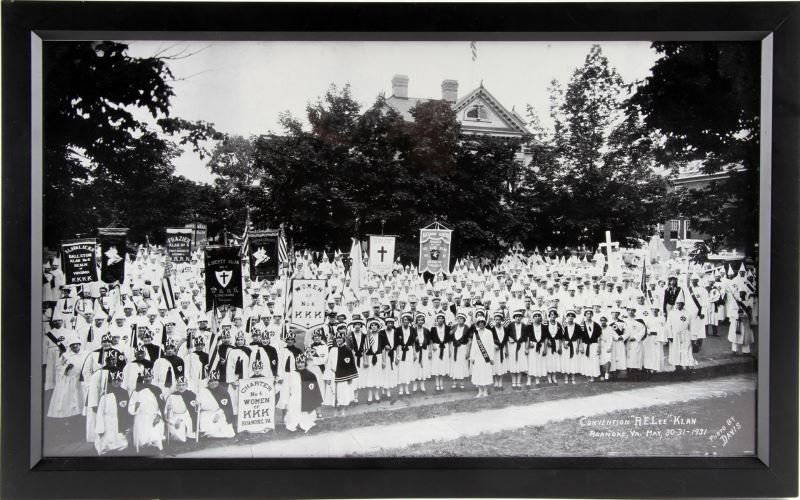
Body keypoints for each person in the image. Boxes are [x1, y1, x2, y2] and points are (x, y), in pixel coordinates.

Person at [47, 333, 86, 419]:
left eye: (77, 344)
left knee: (81, 397)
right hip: (69, 380)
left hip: (81, 379)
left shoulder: (85, 354)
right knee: (68, 397)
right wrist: (66, 368)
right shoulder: (65, 355)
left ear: (80, 345)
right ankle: (69, 415)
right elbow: (58, 367)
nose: (75, 346)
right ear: (70, 347)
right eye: (72, 345)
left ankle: (81, 414)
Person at [127, 369, 165, 453]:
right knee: (142, 438)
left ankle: (155, 449)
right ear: (143, 378)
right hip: (141, 417)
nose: (147, 379)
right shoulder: (137, 390)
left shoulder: (157, 390)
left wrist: (159, 416)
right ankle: (142, 449)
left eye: (149, 376)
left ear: (152, 377)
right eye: (146, 377)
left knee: (154, 436)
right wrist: (135, 407)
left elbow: (162, 405)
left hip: (153, 416)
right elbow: (131, 406)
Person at [93, 370, 130, 455]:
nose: (116, 382)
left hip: (120, 422)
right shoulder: (105, 395)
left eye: (119, 380)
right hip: (108, 423)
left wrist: (126, 424)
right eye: (114, 380)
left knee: (121, 443)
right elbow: (100, 413)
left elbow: (126, 410)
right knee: (106, 443)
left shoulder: (124, 393)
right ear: (110, 381)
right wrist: (100, 428)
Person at [284, 353, 324, 433]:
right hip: (295, 400)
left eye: (302, 363)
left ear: (305, 363)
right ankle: (295, 424)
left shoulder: (310, 375)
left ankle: (304, 423)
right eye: (298, 363)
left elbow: (315, 392)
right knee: (292, 419)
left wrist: (317, 408)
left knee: (306, 421)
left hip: (306, 400)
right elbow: (287, 389)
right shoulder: (292, 374)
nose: (300, 365)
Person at [323, 330, 359, 416]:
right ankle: (335, 411)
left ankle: (343, 410)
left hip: (344, 376)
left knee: (343, 393)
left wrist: (350, 377)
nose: (338, 340)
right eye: (337, 338)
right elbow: (329, 363)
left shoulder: (347, 350)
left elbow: (350, 364)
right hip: (333, 375)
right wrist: (327, 376)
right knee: (334, 393)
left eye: (340, 338)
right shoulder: (333, 350)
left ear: (343, 339)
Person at [196, 369, 236, 439]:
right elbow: (199, 403)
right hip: (207, 414)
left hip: (220, 413)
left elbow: (226, 407)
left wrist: (218, 414)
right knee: (206, 419)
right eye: (211, 381)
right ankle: (208, 433)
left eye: (215, 381)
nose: (213, 383)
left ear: (218, 381)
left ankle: (213, 433)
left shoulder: (223, 391)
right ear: (208, 382)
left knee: (226, 431)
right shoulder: (204, 391)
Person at [164, 376, 198, 444]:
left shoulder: (192, 395)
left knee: (187, 430)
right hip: (175, 417)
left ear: (187, 385)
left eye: (183, 385)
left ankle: (188, 434)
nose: (181, 387)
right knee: (179, 436)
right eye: (179, 385)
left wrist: (198, 404)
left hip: (187, 416)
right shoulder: (172, 396)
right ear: (176, 386)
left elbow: (194, 410)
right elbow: (167, 411)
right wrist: (172, 419)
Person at [666, 299, 697, 373]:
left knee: (686, 350)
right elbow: (668, 325)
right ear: (676, 304)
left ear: (683, 304)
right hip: (675, 335)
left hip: (685, 334)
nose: (679, 305)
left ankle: (687, 366)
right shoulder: (671, 313)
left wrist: (693, 337)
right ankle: (677, 367)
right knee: (676, 351)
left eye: (681, 303)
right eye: (677, 303)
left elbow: (692, 326)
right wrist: (670, 335)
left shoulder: (688, 313)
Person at [469, 312, 494, 398]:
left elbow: (491, 346)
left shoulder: (489, 332)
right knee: (478, 373)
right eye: (479, 323)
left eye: (482, 323)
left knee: (486, 373)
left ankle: (486, 391)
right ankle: (480, 391)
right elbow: (473, 346)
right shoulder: (476, 333)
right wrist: (472, 357)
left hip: (486, 357)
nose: (481, 324)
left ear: (484, 323)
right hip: (478, 357)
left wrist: (491, 357)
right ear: (477, 324)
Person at [504, 309, 530, 389]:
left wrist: (526, 348)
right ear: (514, 317)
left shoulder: (524, 326)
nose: (518, 318)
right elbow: (505, 337)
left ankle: (518, 382)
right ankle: (513, 382)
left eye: (519, 316)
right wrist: (507, 347)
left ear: (521, 318)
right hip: (512, 346)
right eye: (516, 317)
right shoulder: (510, 325)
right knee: (513, 364)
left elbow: (527, 338)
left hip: (521, 346)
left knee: (520, 365)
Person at [449, 312, 471, 390]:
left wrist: (468, 351)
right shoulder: (454, 327)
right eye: (458, 318)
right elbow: (450, 339)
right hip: (454, 347)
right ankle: (454, 382)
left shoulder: (467, 328)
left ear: (464, 320)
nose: (459, 320)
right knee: (454, 364)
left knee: (462, 364)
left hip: (463, 347)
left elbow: (469, 340)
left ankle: (462, 382)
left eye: (461, 318)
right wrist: (449, 350)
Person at [526, 310, 548, 385]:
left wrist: (545, 349)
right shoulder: (529, 327)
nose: (537, 317)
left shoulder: (544, 327)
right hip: (532, 347)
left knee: (539, 363)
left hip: (541, 346)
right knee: (531, 363)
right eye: (535, 316)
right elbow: (527, 338)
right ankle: (529, 379)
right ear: (533, 318)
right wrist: (528, 346)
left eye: (539, 316)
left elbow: (545, 339)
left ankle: (537, 379)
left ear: (541, 318)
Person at [580, 308, 602, 381]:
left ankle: (593, 376)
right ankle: (588, 376)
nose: (589, 315)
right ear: (585, 315)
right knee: (586, 360)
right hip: (585, 344)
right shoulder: (582, 325)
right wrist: (581, 346)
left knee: (594, 360)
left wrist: (599, 347)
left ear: (592, 315)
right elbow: (580, 337)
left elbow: (599, 337)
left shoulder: (596, 325)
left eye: (590, 314)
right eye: (587, 314)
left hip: (594, 344)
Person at [624, 306, 646, 379]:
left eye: (632, 310)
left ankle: (636, 375)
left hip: (636, 342)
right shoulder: (624, 321)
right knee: (628, 357)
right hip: (627, 342)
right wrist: (625, 337)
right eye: (629, 310)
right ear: (627, 311)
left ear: (635, 311)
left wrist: (635, 337)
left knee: (636, 357)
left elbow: (643, 330)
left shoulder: (639, 320)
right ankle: (629, 374)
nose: (631, 312)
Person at [561, 309, 582, 384]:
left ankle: (573, 377)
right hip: (566, 345)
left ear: (574, 317)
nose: (570, 317)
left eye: (572, 316)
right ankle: (566, 377)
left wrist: (577, 347)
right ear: (566, 317)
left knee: (573, 361)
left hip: (574, 344)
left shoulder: (577, 326)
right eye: (569, 316)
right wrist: (563, 344)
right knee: (566, 361)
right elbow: (562, 337)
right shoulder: (564, 326)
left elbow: (579, 337)